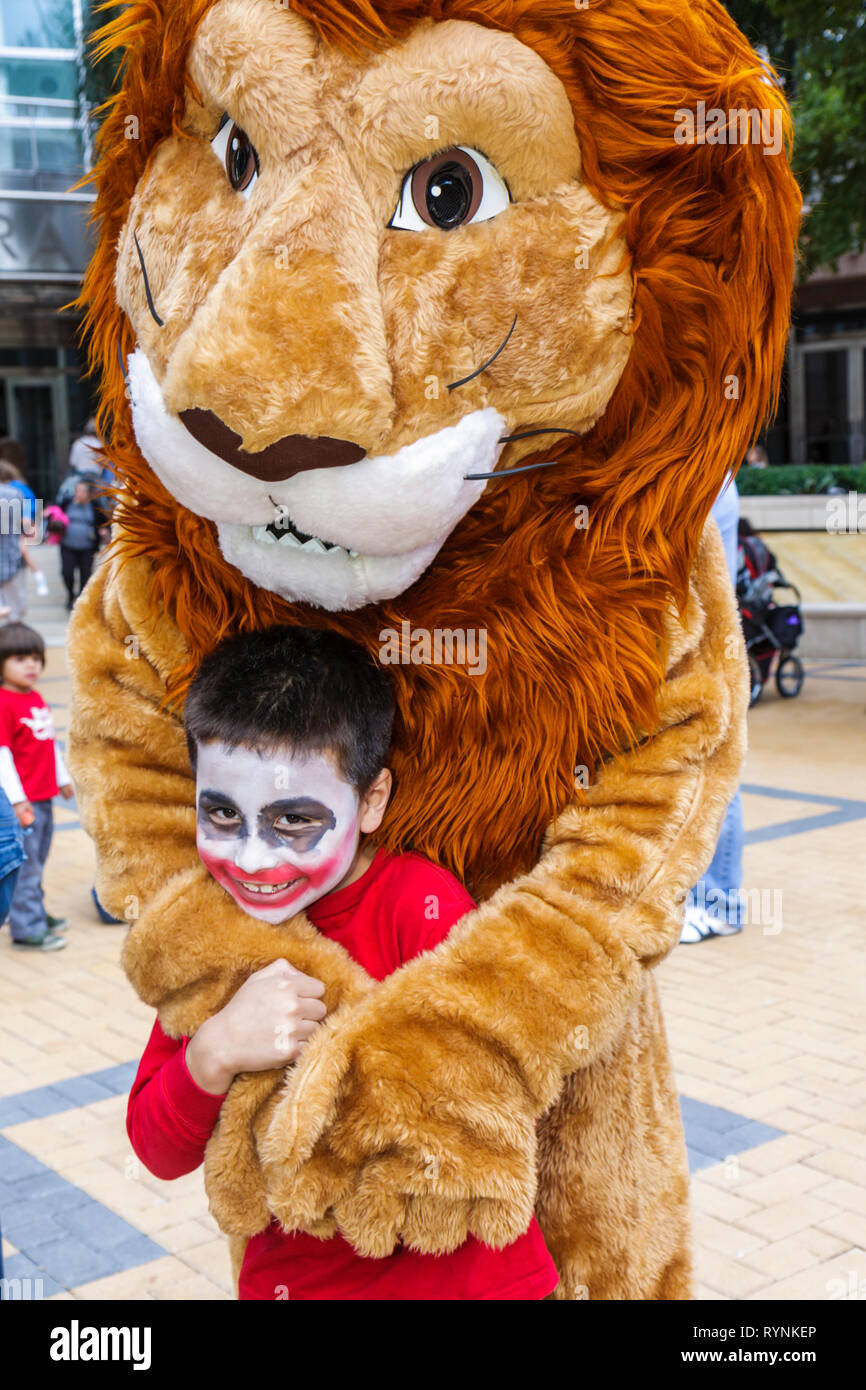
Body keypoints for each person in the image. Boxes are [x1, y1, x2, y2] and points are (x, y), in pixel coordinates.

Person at [127, 626, 559, 1301]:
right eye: (220, 814)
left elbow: (493, 1100)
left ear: (371, 801)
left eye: (292, 821)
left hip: (466, 1284)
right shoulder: (208, 931)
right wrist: (214, 1051)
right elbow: (157, 1148)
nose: (250, 859)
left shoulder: (422, 908)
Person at [681, 475, 744, 943]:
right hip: (697, 643)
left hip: (709, 644)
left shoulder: (709, 479)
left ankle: (720, 902)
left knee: (717, 760)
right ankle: (702, 898)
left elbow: (703, 581)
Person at [0, 622, 75, 951]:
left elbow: (49, 742)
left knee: (39, 859)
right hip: (24, 805)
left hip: (43, 799)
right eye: (19, 658)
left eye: (35, 658)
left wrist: (62, 779)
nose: (31, 665)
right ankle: (26, 927)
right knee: (27, 865)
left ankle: (37, 912)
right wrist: (16, 801)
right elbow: (2, 758)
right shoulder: (3, 704)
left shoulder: (36, 697)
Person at [59, 480, 99, 611]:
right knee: (67, 572)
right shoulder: (67, 503)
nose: (79, 493)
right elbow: (56, 515)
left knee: (85, 575)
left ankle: (80, 600)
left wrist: (103, 532)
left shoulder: (94, 506)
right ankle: (70, 594)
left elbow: (103, 522)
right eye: (77, 490)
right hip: (68, 545)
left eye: (82, 491)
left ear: (88, 494)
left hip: (87, 547)